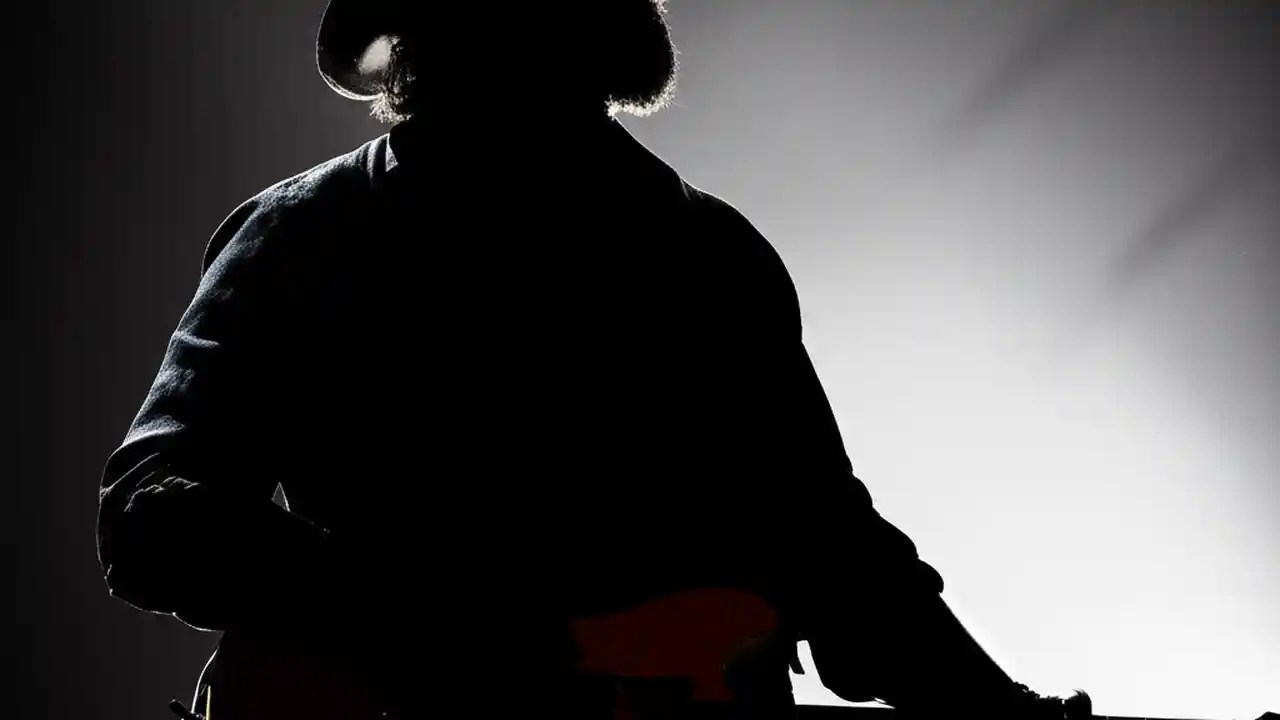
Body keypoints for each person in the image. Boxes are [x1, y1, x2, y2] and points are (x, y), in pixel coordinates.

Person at [95, 2, 1092, 719]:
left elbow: (830, 554)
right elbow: (149, 511)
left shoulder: (704, 257)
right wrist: (430, 627)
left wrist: (994, 711)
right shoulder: (301, 234)